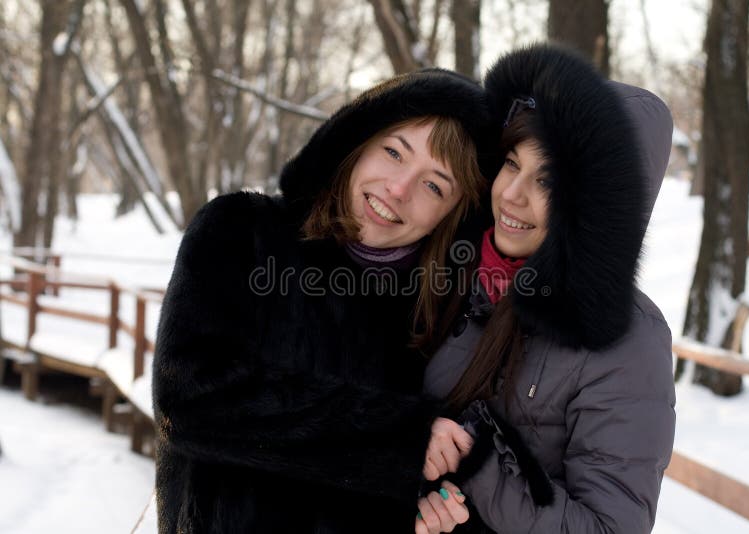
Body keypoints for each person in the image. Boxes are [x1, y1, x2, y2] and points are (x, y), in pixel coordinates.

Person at [152, 69, 494, 533]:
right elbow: (191, 399)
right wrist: (397, 438)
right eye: (394, 152)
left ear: (453, 214)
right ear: (356, 142)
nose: (398, 189)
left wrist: (428, 513)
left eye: (435, 185)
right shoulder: (240, 231)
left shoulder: (437, 318)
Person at [421, 45, 676, 533]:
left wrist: (474, 460)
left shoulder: (629, 344)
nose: (512, 194)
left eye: (548, 181)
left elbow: (609, 528)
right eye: (512, 163)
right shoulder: (461, 276)